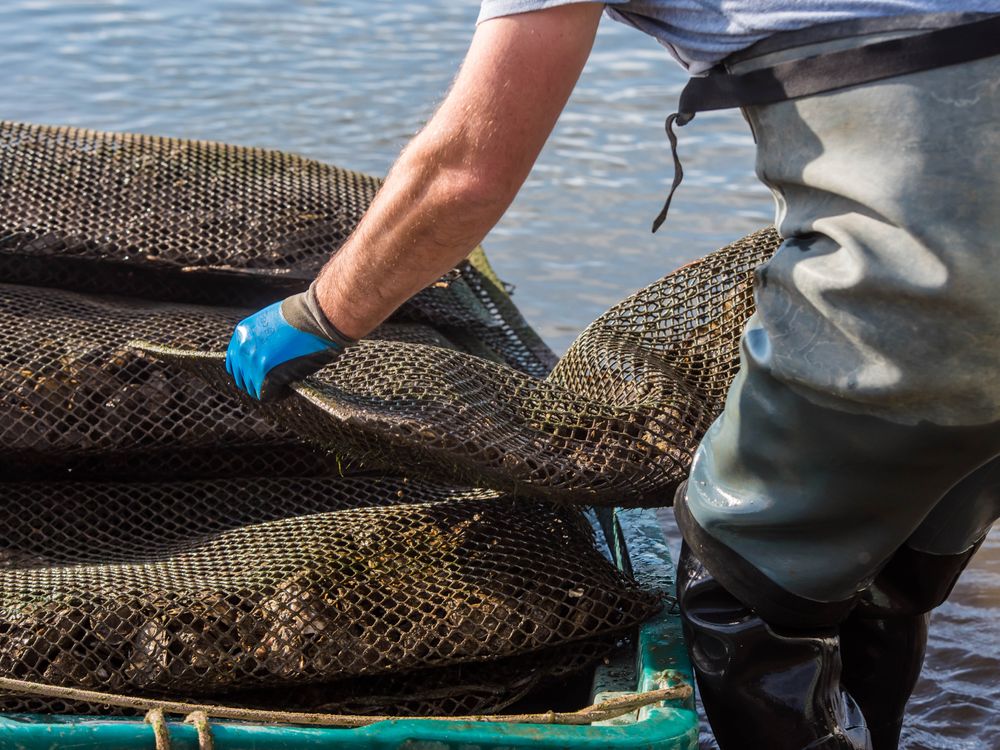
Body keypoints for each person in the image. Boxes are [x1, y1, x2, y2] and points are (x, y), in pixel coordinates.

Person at [224, 3, 1000, 748]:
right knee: (881, 550)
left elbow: (464, 169)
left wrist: (319, 314)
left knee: (744, 580)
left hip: (929, 273)